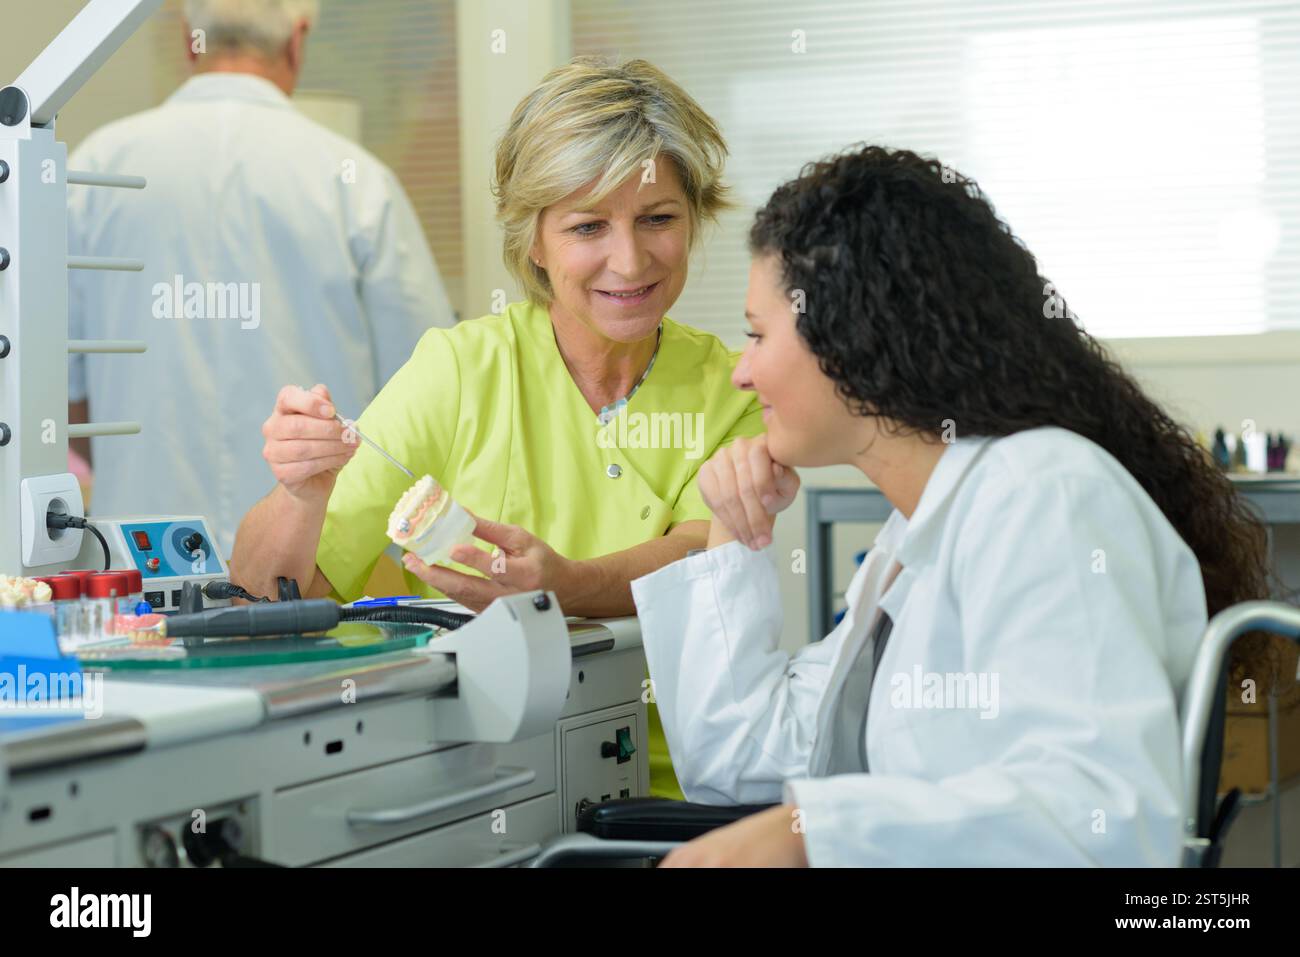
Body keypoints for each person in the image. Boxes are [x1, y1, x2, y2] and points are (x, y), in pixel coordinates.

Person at [630, 145, 1281, 865]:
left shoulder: (1043, 496)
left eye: (757, 334)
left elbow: (1104, 820)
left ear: (855, 335)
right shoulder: (921, 531)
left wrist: (816, 834)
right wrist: (734, 526)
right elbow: (741, 761)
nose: (742, 371)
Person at [231, 58, 764, 800]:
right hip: (482, 788)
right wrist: (301, 494)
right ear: (534, 241)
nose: (630, 259)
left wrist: (565, 586)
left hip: (680, 794)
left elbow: (699, 555)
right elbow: (267, 599)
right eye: (588, 226)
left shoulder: (734, 385)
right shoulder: (459, 371)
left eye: (657, 218)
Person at [67, 0, 452, 555]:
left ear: (188, 39)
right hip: (313, 555)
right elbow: (422, 385)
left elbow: (59, 387)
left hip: (138, 553)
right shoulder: (355, 180)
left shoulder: (94, 171)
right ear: (297, 41)